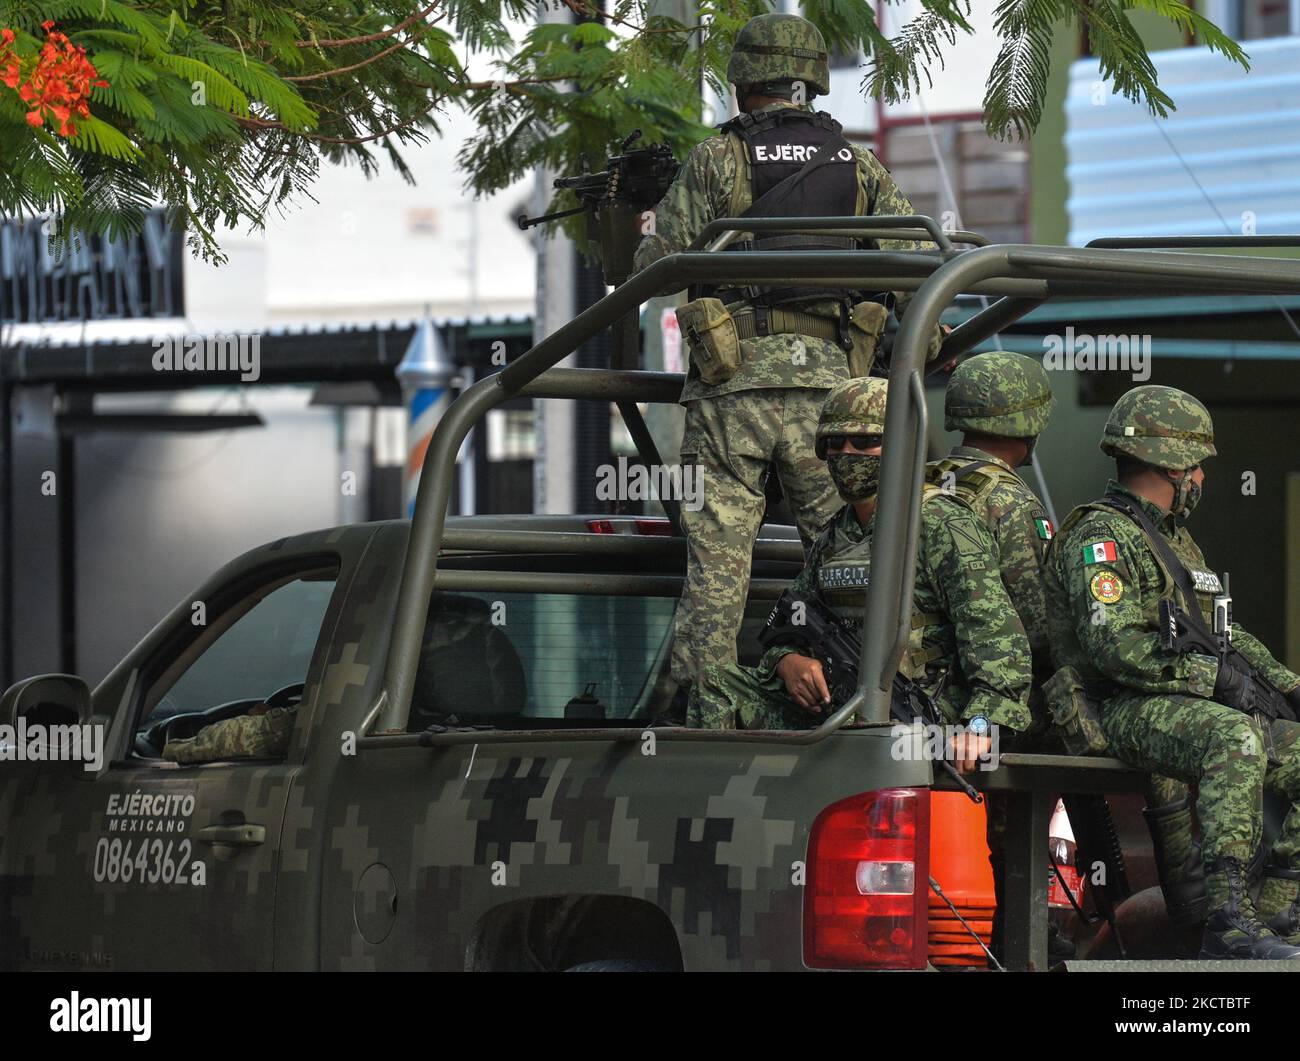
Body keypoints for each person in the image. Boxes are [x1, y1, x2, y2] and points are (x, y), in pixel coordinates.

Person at [631, 11, 945, 688]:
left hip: (732, 388)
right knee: (852, 559)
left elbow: (653, 265)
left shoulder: (718, 158)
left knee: (717, 570)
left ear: (745, 81)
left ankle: (704, 717)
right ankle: (878, 698)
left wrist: (639, 220)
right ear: (812, 83)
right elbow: (921, 257)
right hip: (831, 401)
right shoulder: (857, 164)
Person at [1046, 384, 1300, 959]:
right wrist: (1212, 681)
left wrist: (1287, 686)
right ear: (1171, 465)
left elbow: (1222, 638)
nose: (1204, 481)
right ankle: (1229, 922)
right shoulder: (1100, 535)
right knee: (1233, 739)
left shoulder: (1174, 540)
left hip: (1176, 701)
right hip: (1119, 705)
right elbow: (1113, 647)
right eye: (1199, 468)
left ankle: (1278, 912)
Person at [687, 375, 1032, 757]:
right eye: (834, 444)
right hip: (838, 705)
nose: (847, 453)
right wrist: (787, 662)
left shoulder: (939, 523)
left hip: (920, 722)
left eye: (866, 442)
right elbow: (790, 622)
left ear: (901, 445)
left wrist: (981, 727)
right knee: (715, 684)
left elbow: (999, 642)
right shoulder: (837, 533)